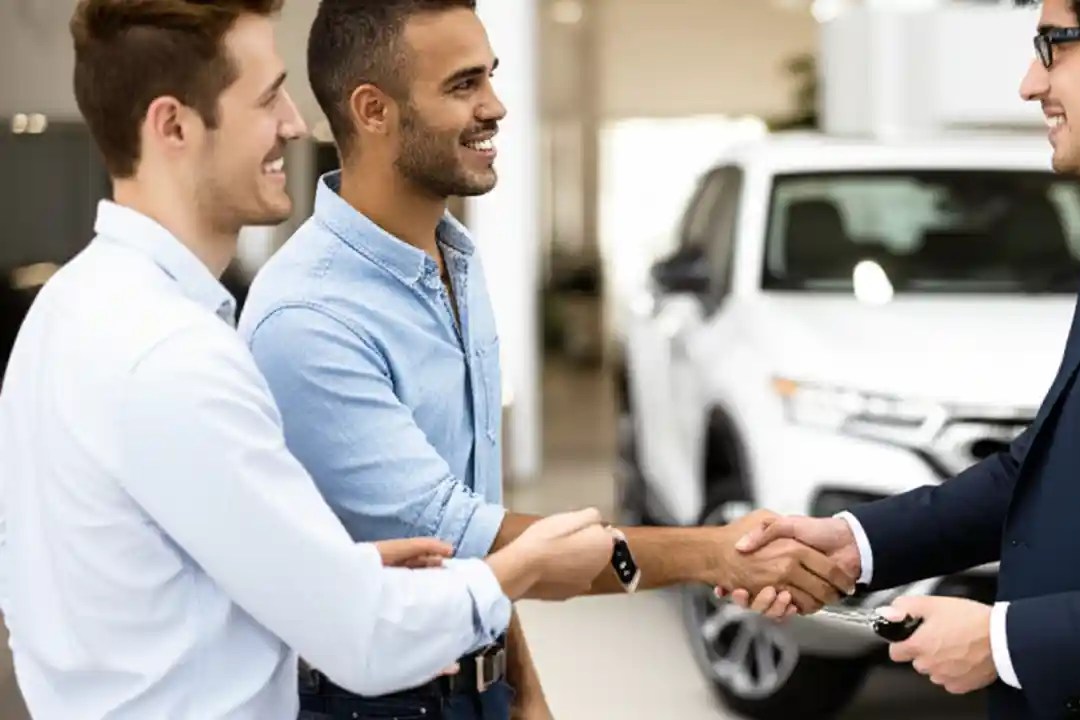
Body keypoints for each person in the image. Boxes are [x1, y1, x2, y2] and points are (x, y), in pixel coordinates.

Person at [237, 1, 857, 718]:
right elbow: (468, 536)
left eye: (491, 77)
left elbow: (477, 538)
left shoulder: (453, 265)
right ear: (374, 110)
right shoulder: (310, 322)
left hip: (475, 686)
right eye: (464, 85)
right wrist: (712, 553)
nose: (496, 106)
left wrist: (522, 689)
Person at [0, 2, 619, 718]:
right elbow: (364, 640)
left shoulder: (67, 309)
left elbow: (149, 574)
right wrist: (522, 568)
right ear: (173, 126)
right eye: (267, 98)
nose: (295, 123)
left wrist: (342, 570)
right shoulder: (175, 358)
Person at [729, 0, 1080, 718]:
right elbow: (1048, 465)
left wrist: (1004, 640)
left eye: (1052, 46)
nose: (1029, 83)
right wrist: (854, 545)